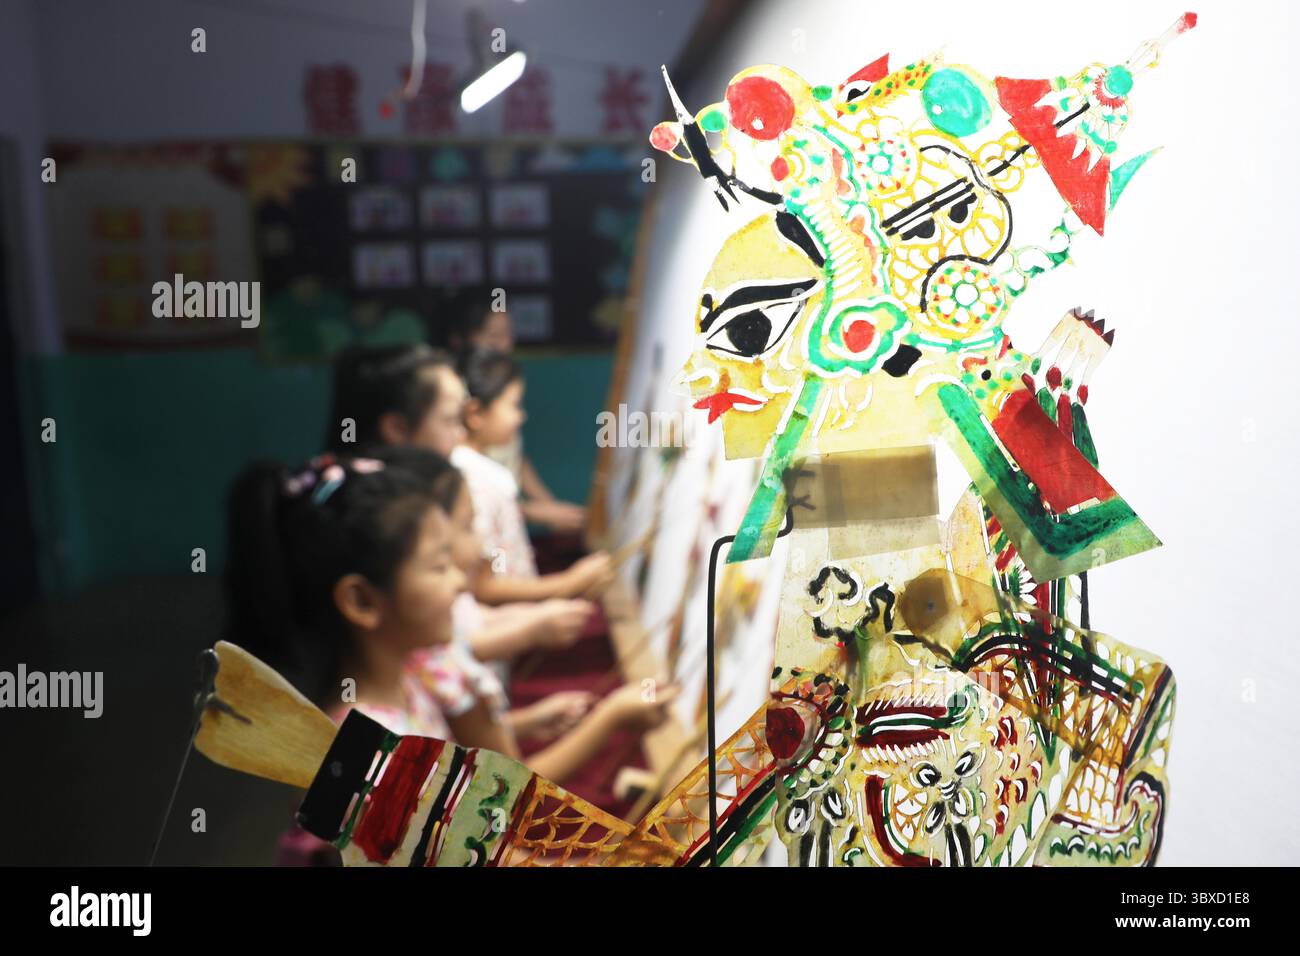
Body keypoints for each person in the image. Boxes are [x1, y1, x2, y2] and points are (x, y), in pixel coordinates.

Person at [224, 453, 673, 862]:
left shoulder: (407, 678)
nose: (461, 582)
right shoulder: (375, 761)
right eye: (439, 566)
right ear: (362, 602)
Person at [453, 348, 614, 605]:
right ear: (474, 414)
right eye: (514, 405)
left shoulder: (476, 470)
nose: (521, 416)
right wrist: (569, 583)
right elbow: (484, 587)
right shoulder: (474, 477)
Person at [449, 300, 585, 534]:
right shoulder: (455, 403)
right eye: (494, 336)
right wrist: (533, 512)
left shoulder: (500, 392)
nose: (505, 344)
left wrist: (549, 507)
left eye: (509, 334)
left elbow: (516, 457)